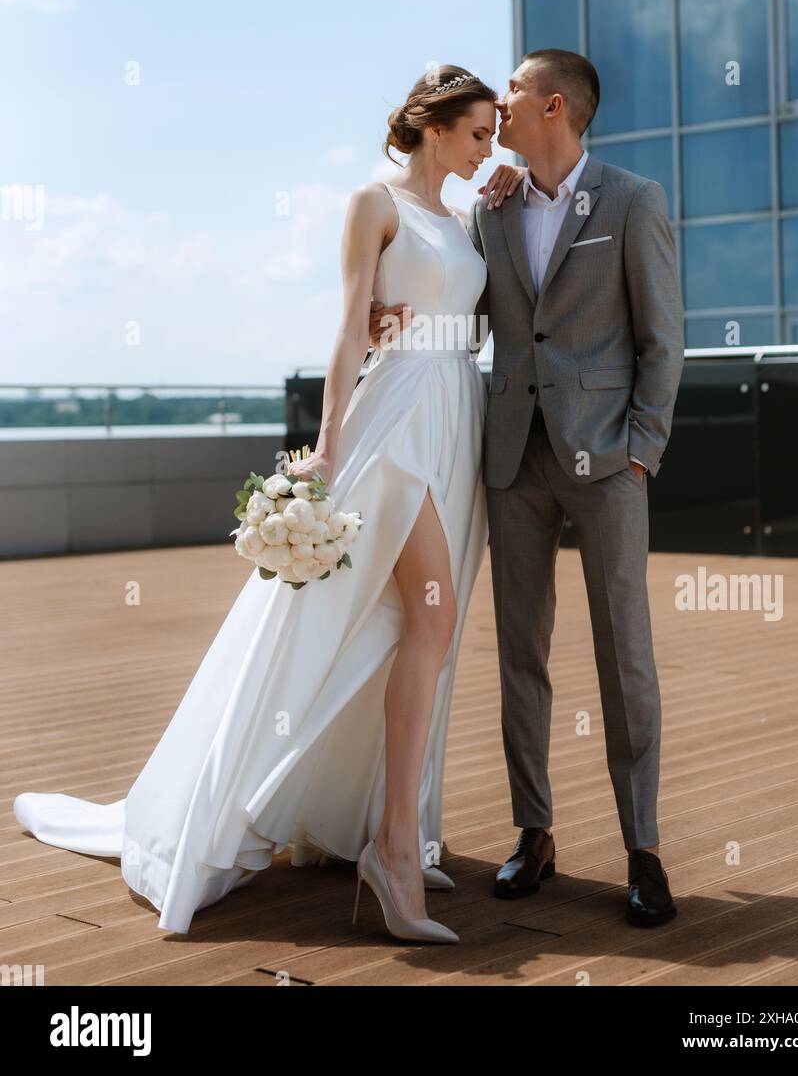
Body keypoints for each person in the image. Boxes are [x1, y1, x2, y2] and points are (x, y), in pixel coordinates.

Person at [13, 64, 522, 944]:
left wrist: (501, 194)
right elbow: (346, 326)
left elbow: (462, 320)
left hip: (456, 415)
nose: (489, 148)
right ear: (435, 127)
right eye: (480, 132)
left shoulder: (471, 214)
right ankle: (394, 852)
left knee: (413, 625)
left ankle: (380, 823)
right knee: (429, 625)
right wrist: (326, 446)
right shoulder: (374, 204)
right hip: (395, 420)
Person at [370, 49, 684, 927]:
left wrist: (640, 452)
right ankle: (533, 832)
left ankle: (642, 848)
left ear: (552, 106)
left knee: (624, 655)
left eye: (508, 91)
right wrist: (376, 317)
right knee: (519, 654)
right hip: (508, 459)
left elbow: (663, 339)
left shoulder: (631, 202)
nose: (496, 104)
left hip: (606, 462)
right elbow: (458, 311)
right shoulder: (489, 210)